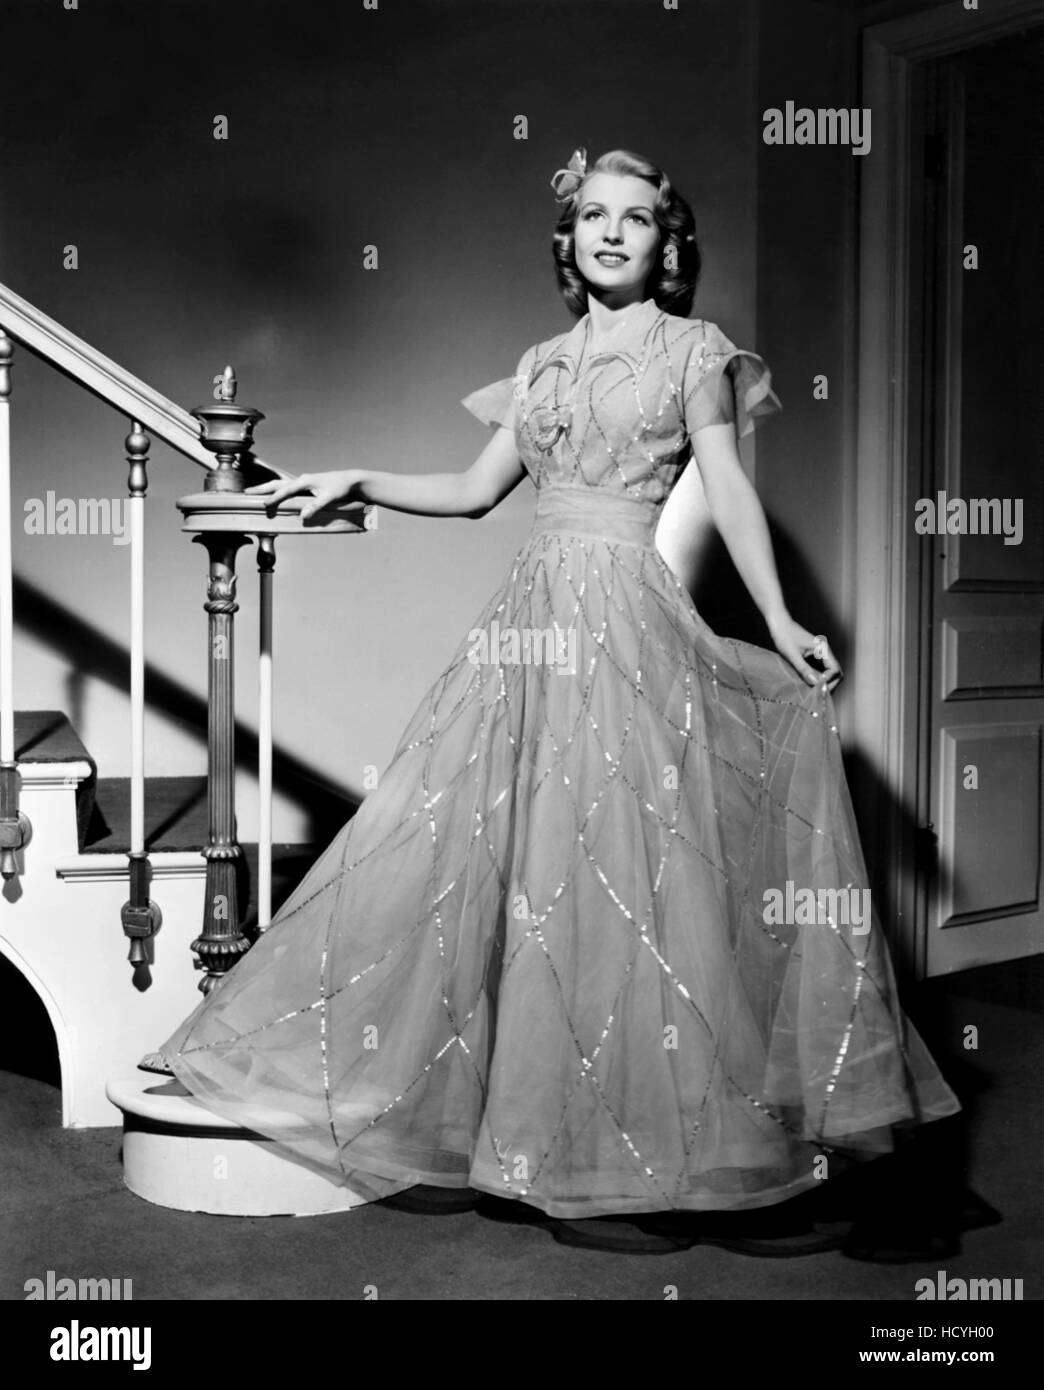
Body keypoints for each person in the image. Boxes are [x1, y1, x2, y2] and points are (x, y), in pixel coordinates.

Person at [149, 147, 963, 1259]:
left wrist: (775, 618)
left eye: (636, 218)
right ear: (569, 239)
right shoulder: (539, 364)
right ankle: (571, 1152)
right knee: (524, 868)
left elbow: (726, 489)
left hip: (634, 623)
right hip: (532, 633)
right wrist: (357, 477)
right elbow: (479, 491)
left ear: (667, 245)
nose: (613, 233)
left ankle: (686, 1153)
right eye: (593, 215)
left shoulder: (695, 352)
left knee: (646, 880)